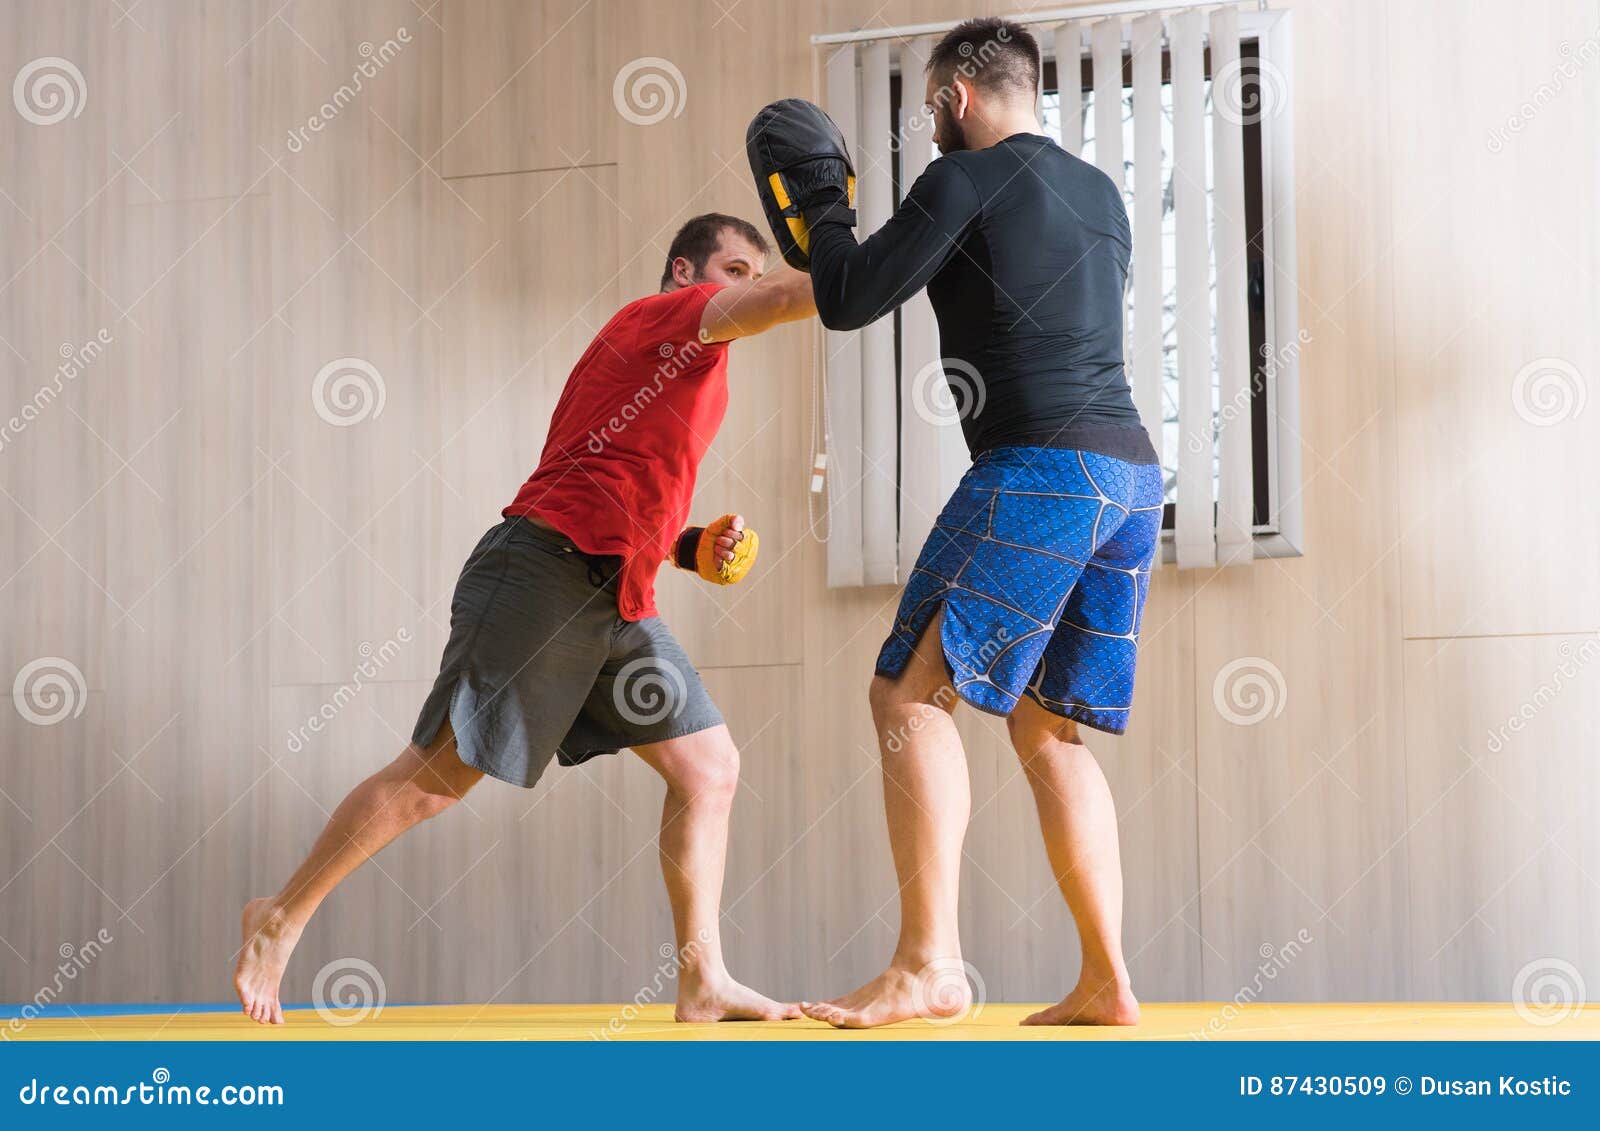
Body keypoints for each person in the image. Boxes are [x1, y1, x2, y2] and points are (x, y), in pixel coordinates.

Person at [233, 214, 819, 1025]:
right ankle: (280, 914)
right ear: (684, 273)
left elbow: (608, 475)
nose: (747, 284)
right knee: (437, 779)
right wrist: (864, 249)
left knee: (709, 768)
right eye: (734, 268)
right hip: (542, 571)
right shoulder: (663, 318)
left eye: (754, 270)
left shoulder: (687, 360)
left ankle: (703, 977)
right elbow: (795, 297)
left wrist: (688, 548)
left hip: (615, 592)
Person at [763, 17, 1162, 1028]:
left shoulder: (961, 179)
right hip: (1128, 478)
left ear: (955, 97)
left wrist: (820, 207)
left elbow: (849, 298)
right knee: (1047, 728)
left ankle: (927, 964)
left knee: (906, 695)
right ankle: (1105, 980)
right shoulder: (1101, 193)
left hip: (1038, 469)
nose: (929, 123)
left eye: (930, 104)